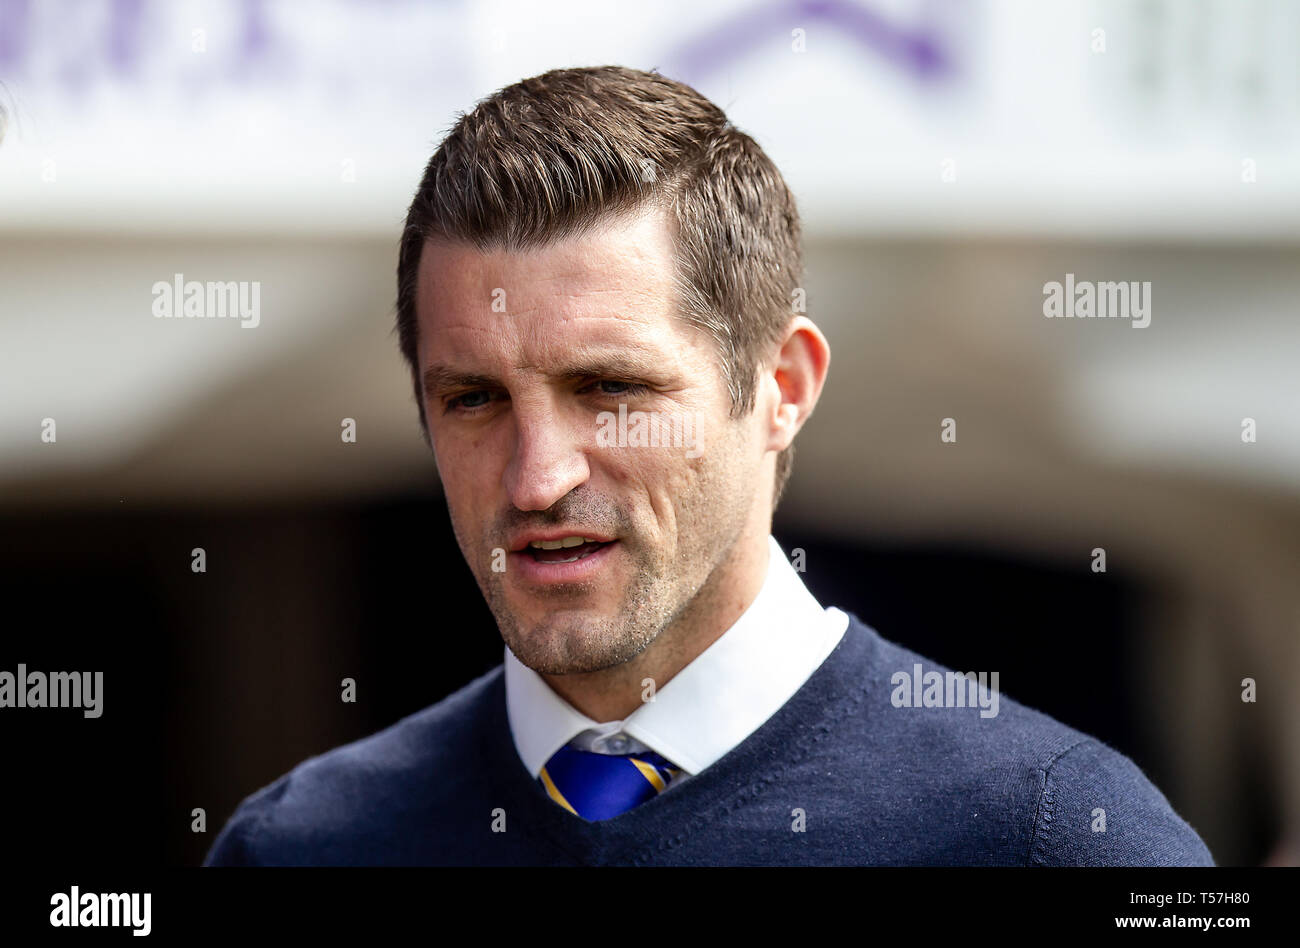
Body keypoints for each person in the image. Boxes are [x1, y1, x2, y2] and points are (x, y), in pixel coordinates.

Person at [205, 65, 1212, 866]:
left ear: (781, 386)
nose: (535, 477)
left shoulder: (1054, 834)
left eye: (610, 389)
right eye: (472, 399)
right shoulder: (302, 844)